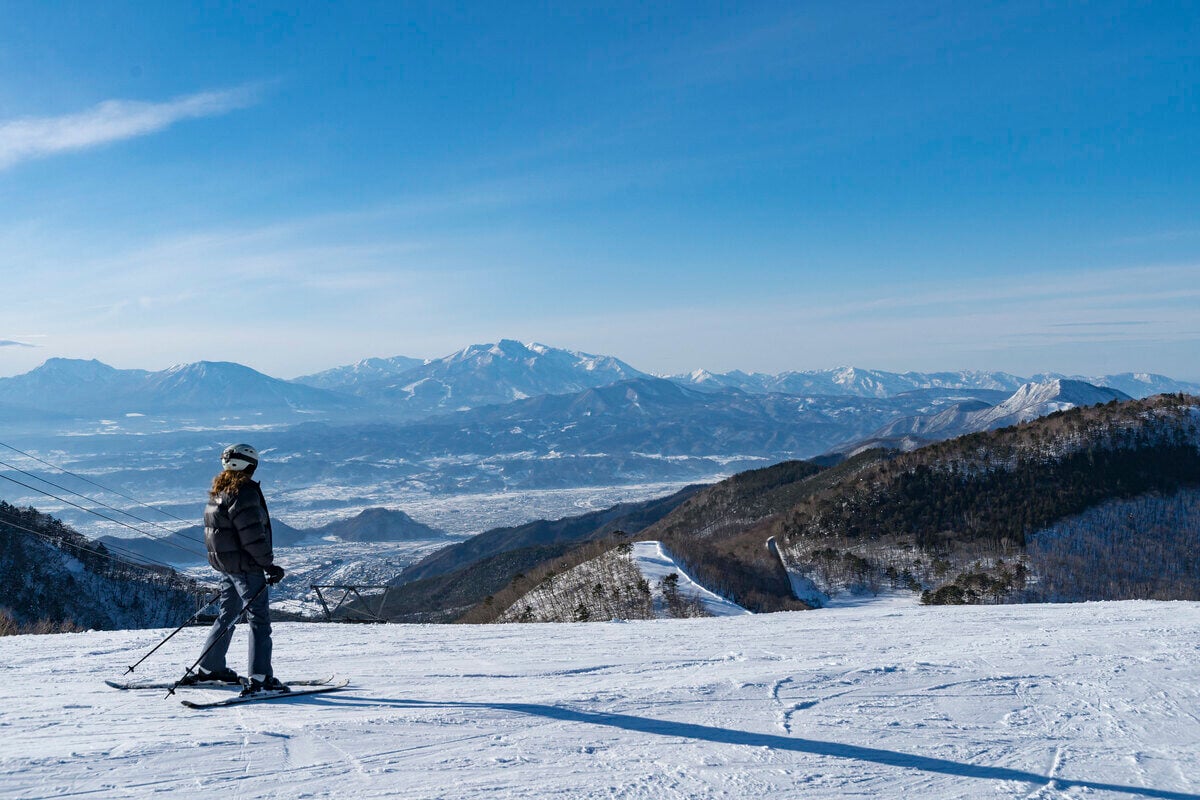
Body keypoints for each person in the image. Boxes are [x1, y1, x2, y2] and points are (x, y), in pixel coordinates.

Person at [185, 443, 289, 695]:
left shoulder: (219, 491)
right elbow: (252, 536)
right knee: (259, 620)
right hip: (246, 566)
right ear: (250, 466)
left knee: (228, 614)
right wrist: (268, 564)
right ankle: (261, 678)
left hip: (228, 566)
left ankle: (210, 668)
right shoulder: (244, 493)